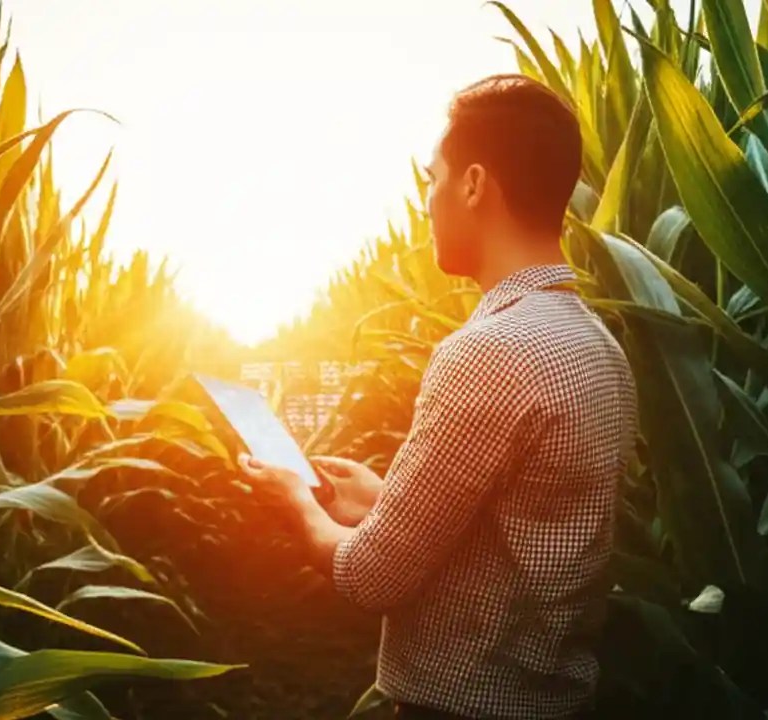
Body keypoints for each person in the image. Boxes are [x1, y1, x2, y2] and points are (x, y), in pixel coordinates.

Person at [239, 74, 638, 720]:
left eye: (433, 178)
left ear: (474, 184)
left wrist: (295, 501)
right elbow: (520, 533)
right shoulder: (599, 348)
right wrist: (376, 496)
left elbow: (368, 579)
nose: (427, 201)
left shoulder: (489, 352)